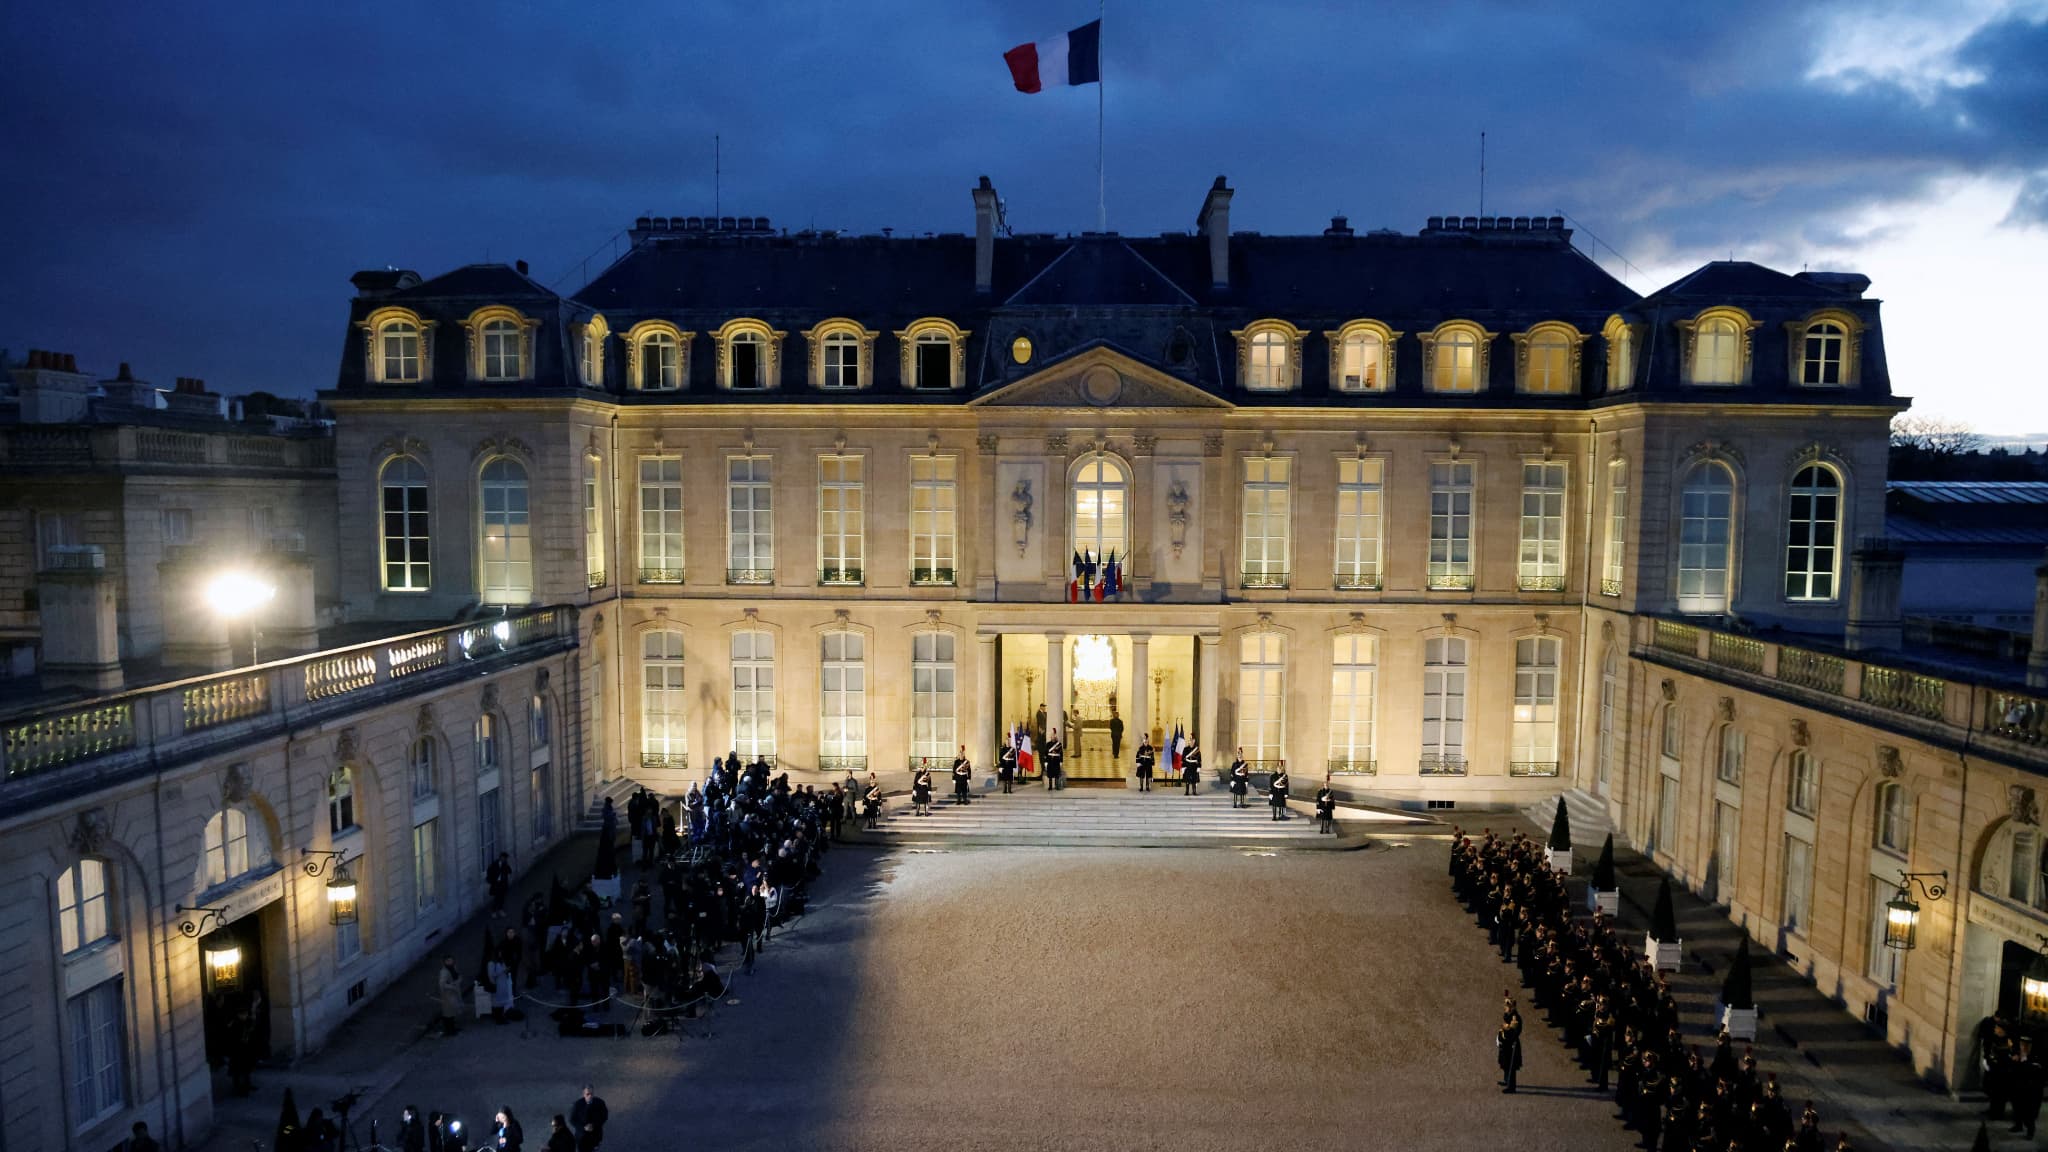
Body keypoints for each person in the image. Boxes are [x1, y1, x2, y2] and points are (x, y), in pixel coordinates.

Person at [2014, 1036, 2044, 1138]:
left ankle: (2030, 1131)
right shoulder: (2019, 1055)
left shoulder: (2034, 1057)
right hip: (2019, 1086)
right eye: (2021, 1044)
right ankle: (2018, 1125)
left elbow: (2035, 1071)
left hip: (2031, 1089)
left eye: (2023, 1045)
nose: (2021, 1047)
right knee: (2017, 1107)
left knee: (2029, 1112)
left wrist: (2023, 1063)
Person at [571, 1086, 608, 1152]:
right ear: (584, 1094)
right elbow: (572, 1120)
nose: (590, 1096)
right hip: (581, 1137)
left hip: (596, 1136)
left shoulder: (600, 1103)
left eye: (591, 1094)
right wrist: (583, 1128)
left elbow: (604, 1117)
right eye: (588, 1094)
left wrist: (594, 1125)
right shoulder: (577, 1104)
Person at [1497, 1003, 1524, 1093]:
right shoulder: (1509, 1015)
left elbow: (1513, 1032)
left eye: (1507, 1007)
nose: (1505, 1008)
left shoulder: (1515, 1018)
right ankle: (1506, 1080)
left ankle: (1511, 1087)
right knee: (1505, 1064)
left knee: (1510, 1066)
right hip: (1506, 1044)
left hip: (1511, 1045)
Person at [436, 954, 463, 1035]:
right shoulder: (444, 972)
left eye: (451, 960)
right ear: (444, 962)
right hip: (448, 995)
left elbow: (457, 976)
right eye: (448, 961)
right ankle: (449, 1030)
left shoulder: (453, 968)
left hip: (453, 994)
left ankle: (452, 1028)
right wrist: (452, 986)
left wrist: (459, 980)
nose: (450, 962)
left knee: (452, 1012)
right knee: (448, 1014)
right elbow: (442, 984)